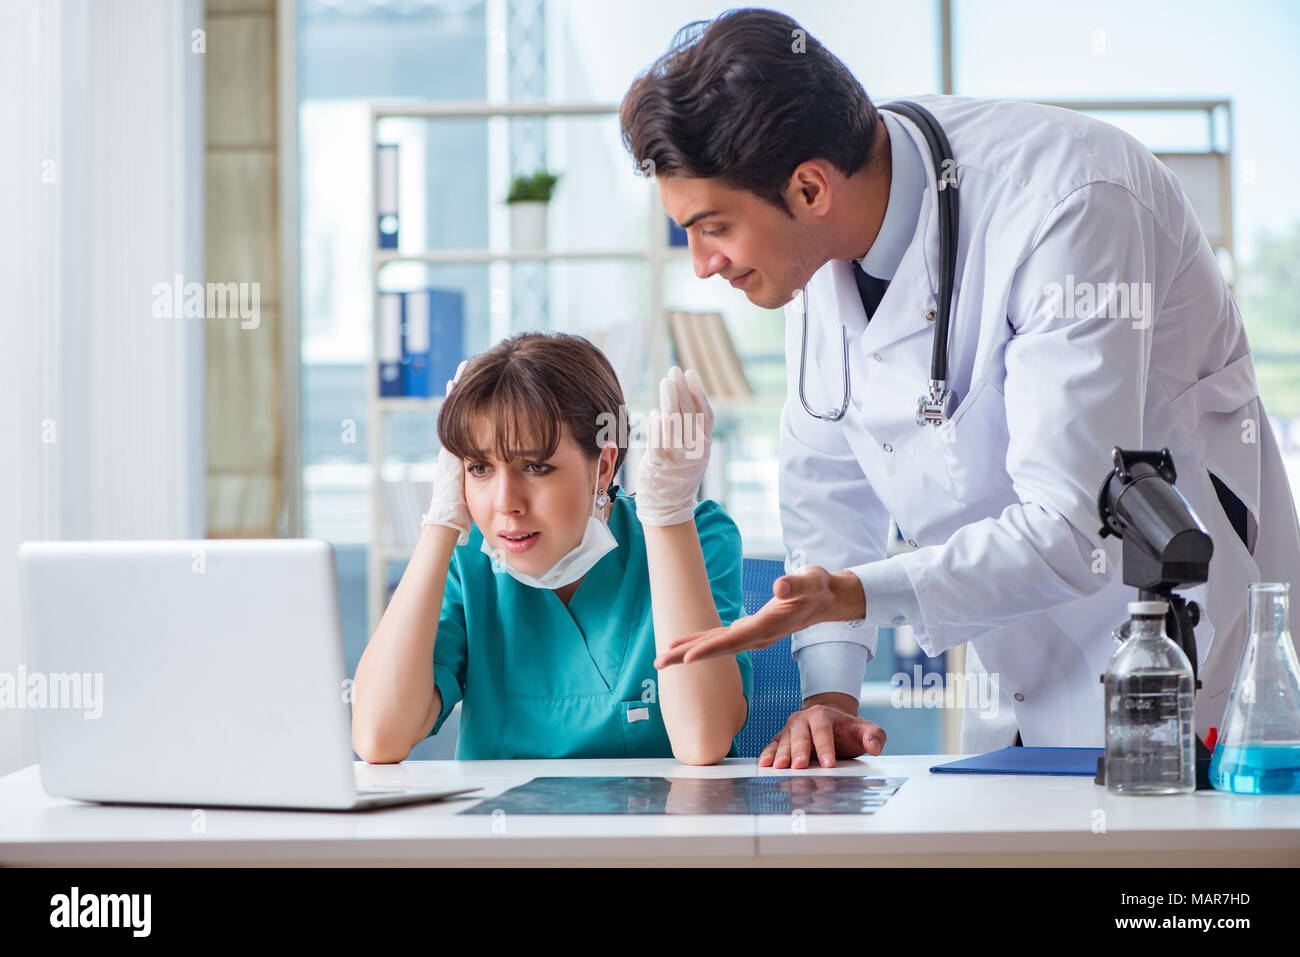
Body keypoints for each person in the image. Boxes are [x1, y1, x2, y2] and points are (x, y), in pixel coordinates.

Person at [621, 8, 1300, 766]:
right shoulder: (808, 247)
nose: (701, 262)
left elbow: (1070, 527)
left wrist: (848, 593)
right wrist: (829, 695)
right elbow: (827, 479)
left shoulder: (1069, 205)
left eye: (711, 228)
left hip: (1189, 653)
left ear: (810, 188)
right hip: (1016, 669)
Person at [350, 332, 752, 765]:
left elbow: (701, 739)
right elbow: (379, 736)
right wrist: (439, 524)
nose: (506, 504)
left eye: (536, 467)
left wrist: (668, 516)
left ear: (604, 466)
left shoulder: (697, 534)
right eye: (479, 468)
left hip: (658, 829)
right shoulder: (468, 560)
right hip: (502, 830)